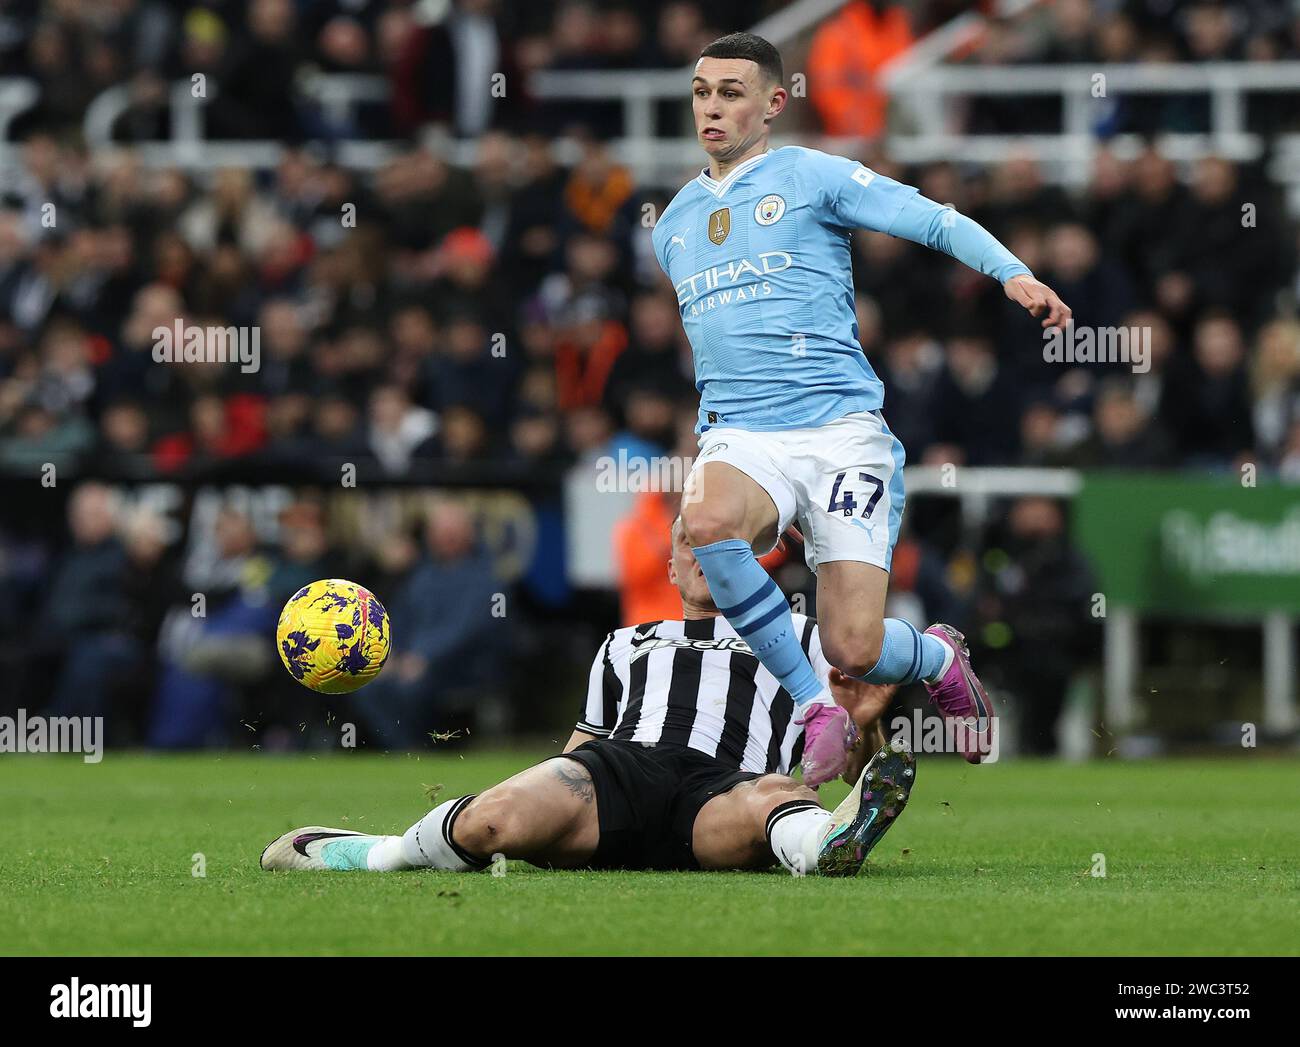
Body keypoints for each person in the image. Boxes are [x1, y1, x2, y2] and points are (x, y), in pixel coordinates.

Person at [655, 32, 1072, 783]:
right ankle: (816, 704)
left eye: (731, 92)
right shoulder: (673, 222)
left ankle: (939, 654)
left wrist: (1011, 272)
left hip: (841, 433)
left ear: (774, 103)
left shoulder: (812, 176)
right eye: (700, 91)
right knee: (708, 525)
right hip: (744, 432)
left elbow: (932, 217)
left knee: (856, 646)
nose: (711, 107)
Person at [261, 520, 912, 878]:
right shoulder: (626, 641)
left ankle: (826, 842)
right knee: (498, 820)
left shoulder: (806, 636)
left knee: (773, 797)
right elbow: (577, 754)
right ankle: (373, 853)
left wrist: (866, 734)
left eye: (724, 545)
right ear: (670, 563)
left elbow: (848, 757)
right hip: (618, 772)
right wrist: (547, 798)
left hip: (724, 788)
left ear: (754, 559)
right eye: (689, 542)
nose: (703, 555)